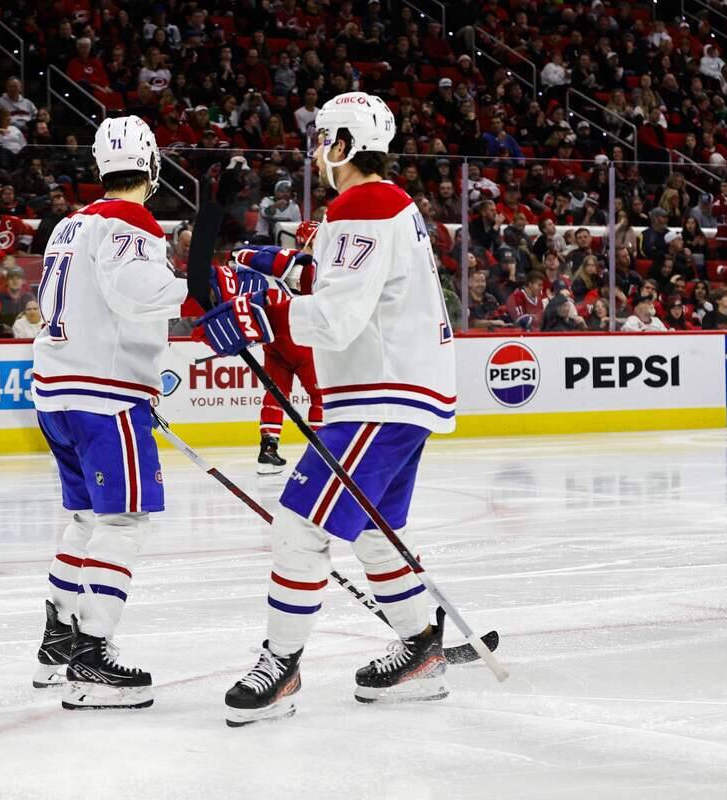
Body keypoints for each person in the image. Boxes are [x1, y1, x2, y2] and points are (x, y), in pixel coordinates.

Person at [195, 92, 457, 725]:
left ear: (343, 145)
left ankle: (280, 666)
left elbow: (337, 318)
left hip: (379, 395)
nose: (316, 150)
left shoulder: (363, 204)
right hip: (394, 392)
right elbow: (349, 286)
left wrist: (258, 311)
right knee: (372, 532)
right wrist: (287, 271)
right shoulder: (387, 205)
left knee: (300, 526)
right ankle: (421, 651)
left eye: (323, 139)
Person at [29, 115, 257, 710]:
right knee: (123, 523)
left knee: (83, 517)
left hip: (56, 391)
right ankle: (91, 657)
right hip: (104, 395)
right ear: (151, 166)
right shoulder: (129, 219)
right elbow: (135, 290)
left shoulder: (68, 226)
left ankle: (58, 643)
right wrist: (196, 290)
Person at [232, 222, 324, 474]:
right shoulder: (310, 265)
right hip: (300, 335)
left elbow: (241, 255)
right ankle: (320, 450)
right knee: (319, 395)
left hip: (272, 337)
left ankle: (268, 449)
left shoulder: (274, 261)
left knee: (276, 394)